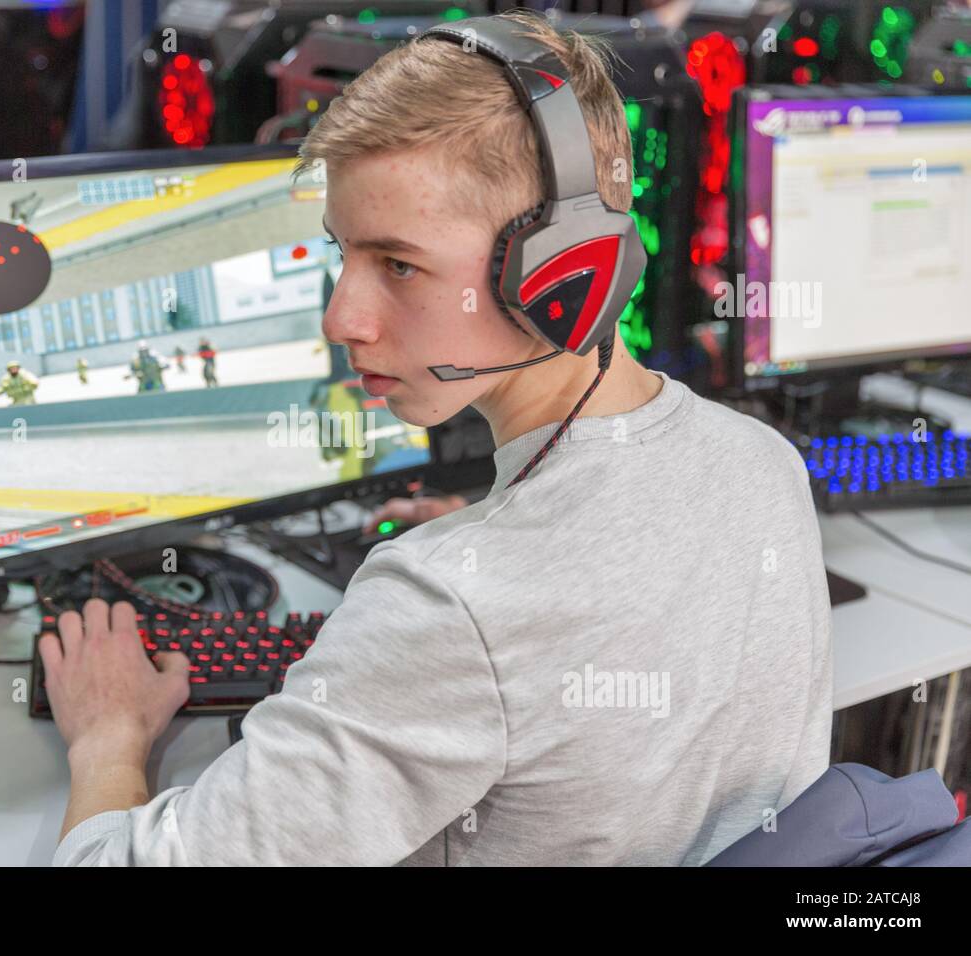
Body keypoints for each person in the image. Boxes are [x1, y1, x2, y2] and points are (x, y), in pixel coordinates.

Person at [40, 10, 831, 866]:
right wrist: (503, 526)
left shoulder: (450, 607)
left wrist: (109, 740)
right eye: (342, 254)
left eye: (400, 265)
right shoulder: (763, 464)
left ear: (566, 275)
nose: (342, 316)